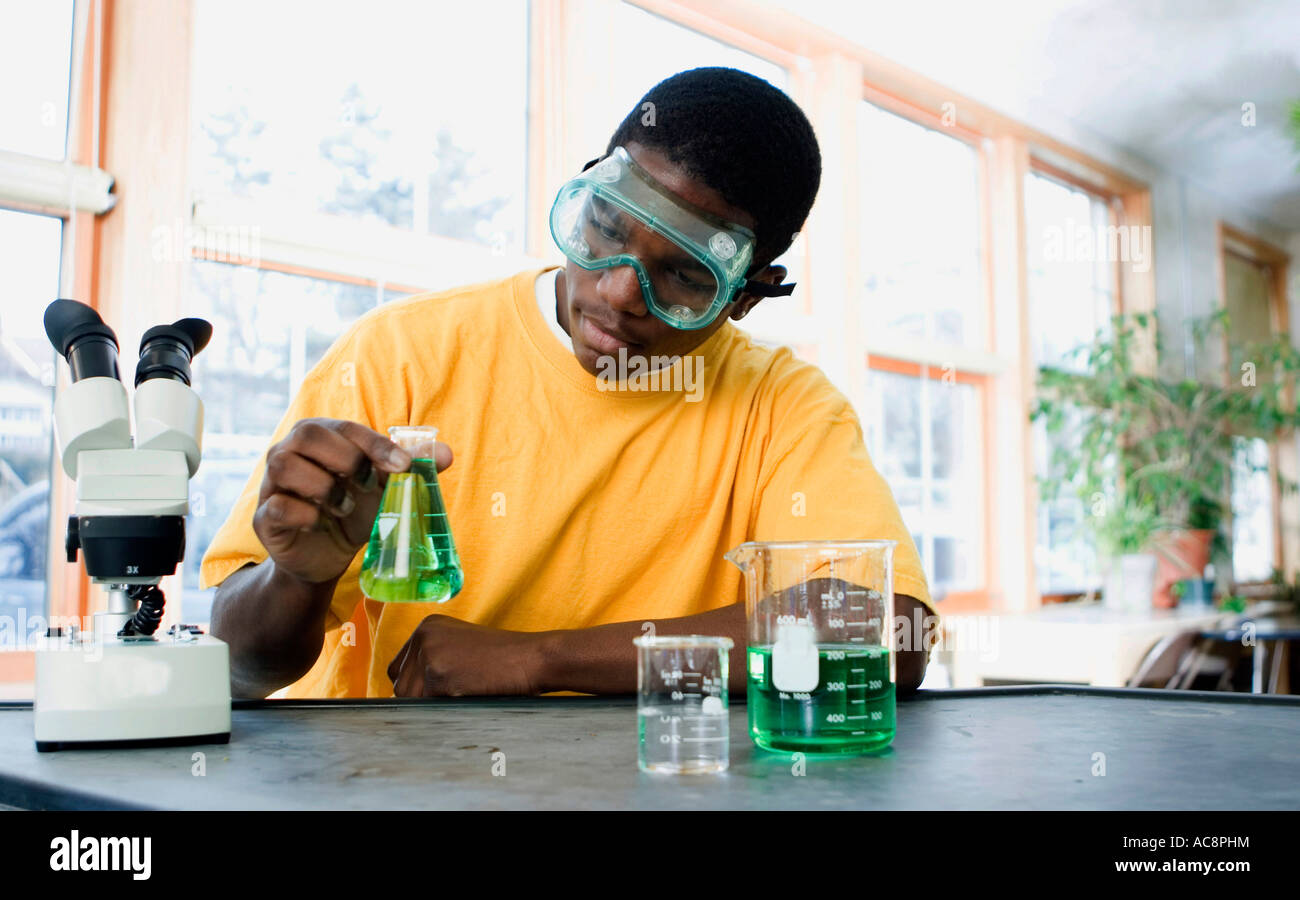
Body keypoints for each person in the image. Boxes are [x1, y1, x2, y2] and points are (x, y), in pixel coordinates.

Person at [202, 66, 938, 699]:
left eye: (683, 275)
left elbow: (886, 633)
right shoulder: (400, 354)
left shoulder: (782, 407)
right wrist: (300, 578)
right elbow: (238, 667)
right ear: (591, 182)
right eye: (608, 231)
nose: (619, 293)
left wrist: (540, 658)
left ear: (747, 295)